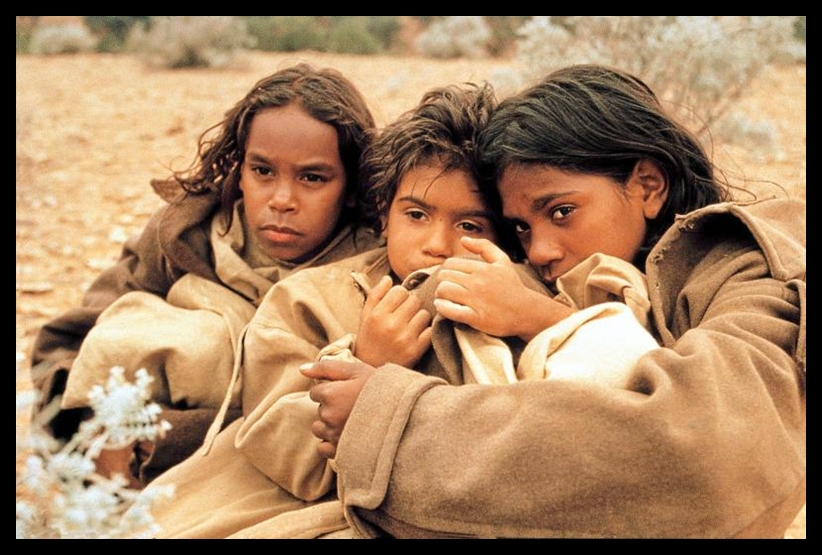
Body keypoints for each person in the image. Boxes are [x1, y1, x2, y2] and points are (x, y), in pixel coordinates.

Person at [303, 64, 806, 538]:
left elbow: (709, 455)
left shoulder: (752, 268)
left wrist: (389, 422)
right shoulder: (528, 277)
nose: (540, 249)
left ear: (648, 186)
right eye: (521, 227)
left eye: (561, 211)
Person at [140, 82, 510, 538]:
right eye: (415, 215)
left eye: (471, 224)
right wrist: (368, 362)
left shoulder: (514, 296)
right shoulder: (309, 299)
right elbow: (277, 446)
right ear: (383, 212)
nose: (437, 245)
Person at [28, 63, 381, 488]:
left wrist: (166, 437)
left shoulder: (370, 271)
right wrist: (95, 424)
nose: (282, 199)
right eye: (263, 171)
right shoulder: (186, 236)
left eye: (312, 177)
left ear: (350, 187)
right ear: (240, 167)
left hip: (271, 466)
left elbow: (320, 425)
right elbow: (69, 341)